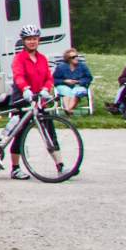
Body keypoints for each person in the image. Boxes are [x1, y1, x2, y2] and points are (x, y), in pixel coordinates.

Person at [7, 26, 55, 179]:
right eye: (29, 39)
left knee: (49, 132)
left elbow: (49, 77)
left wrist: (46, 89)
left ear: (38, 40)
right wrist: (25, 89)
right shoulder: (19, 58)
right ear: (24, 41)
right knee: (19, 134)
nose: (32, 41)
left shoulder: (42, 58)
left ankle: (60, 165)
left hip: (39, 101)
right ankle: (15, 168)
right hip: (22, 100)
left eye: (34, 38)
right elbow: (18, 76)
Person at [51, 48, 93, 115]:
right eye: (73, 57)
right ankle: (69, 110)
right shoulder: (61, 67)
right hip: (64, 85)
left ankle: (68, 109)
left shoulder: (83, 66)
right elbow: (54, 79)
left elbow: (89, 78)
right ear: (68, 59)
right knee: (66, 91)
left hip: (79, 85)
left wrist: (78, 81)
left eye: (77, 56)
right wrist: (65, 81)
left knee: (76, 92)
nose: (76, 58)